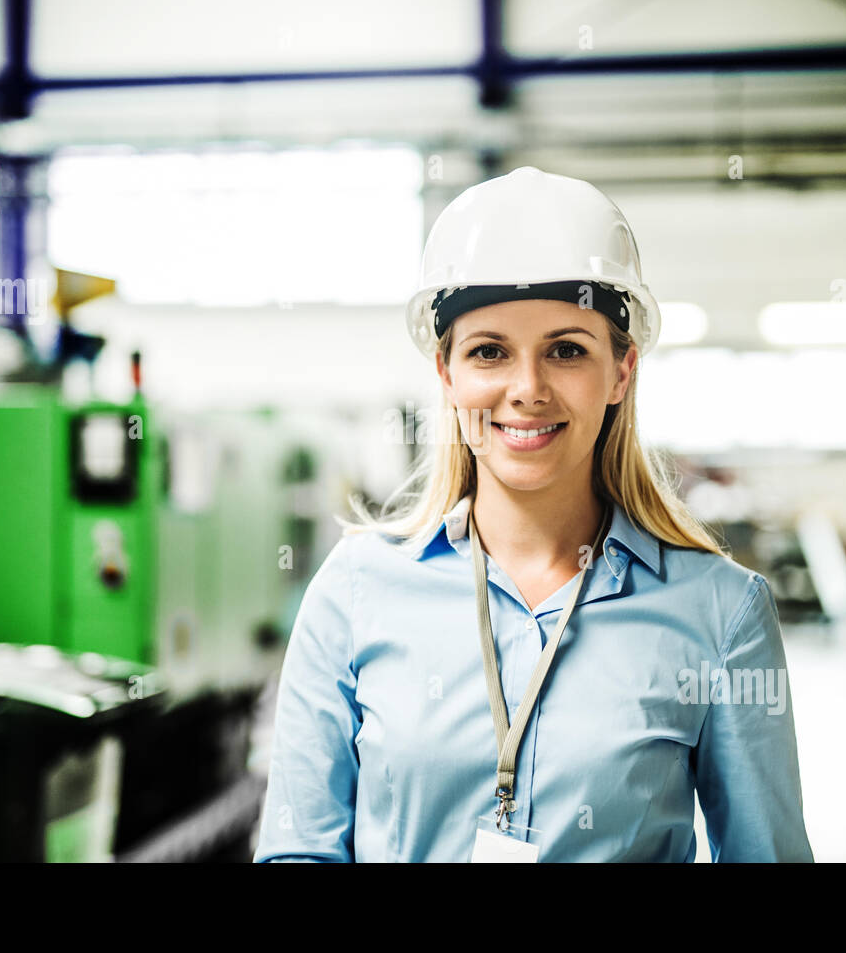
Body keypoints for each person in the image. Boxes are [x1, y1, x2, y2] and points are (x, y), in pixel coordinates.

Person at [253, 166, 814, 862]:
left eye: (566, 350)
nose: (527, 388)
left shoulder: (719, 613)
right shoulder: (356, 593)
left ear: (621, 370)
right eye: (490, 351)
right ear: (447, 374)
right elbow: (296, 851)